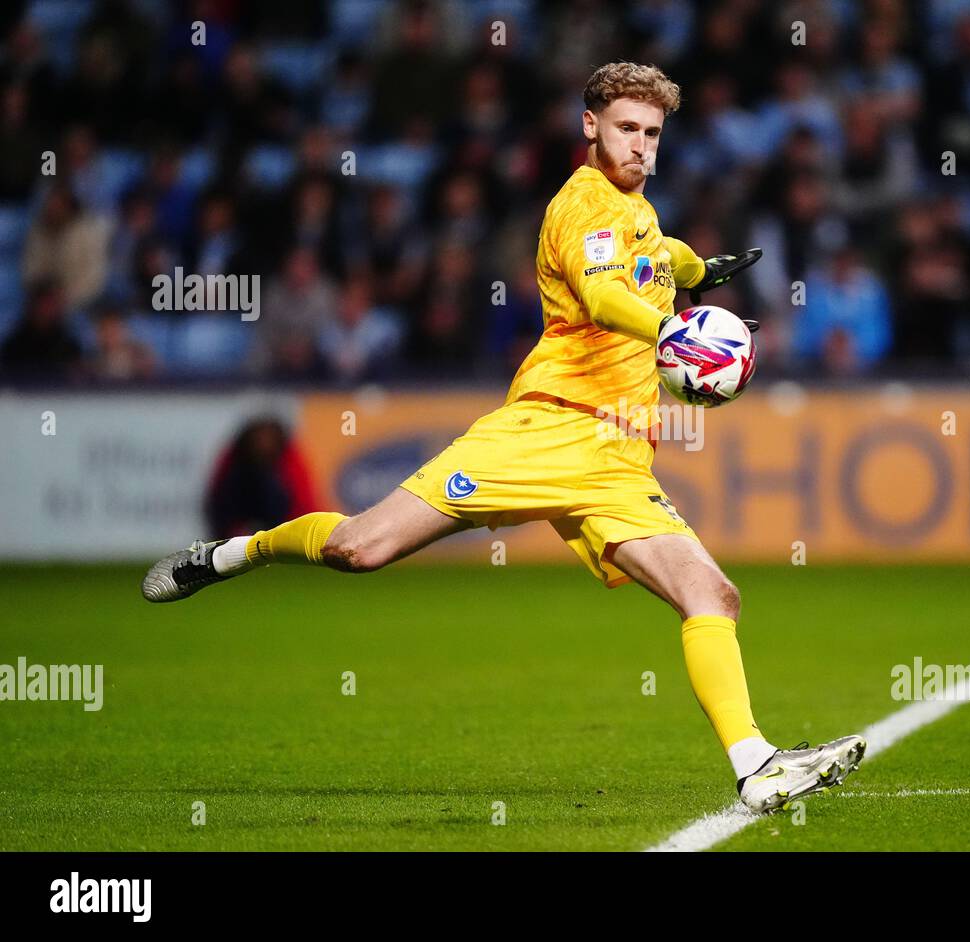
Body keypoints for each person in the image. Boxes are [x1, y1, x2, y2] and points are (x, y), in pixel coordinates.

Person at [141, 62, 864, 814]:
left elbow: (660, 254)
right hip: (546, 430)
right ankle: (234, 553)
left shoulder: (638, 210)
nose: (641, 146)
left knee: (712, 594)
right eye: (626, 129)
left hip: (617, 458)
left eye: (652, 133)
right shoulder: (581, 205)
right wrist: (676, 329)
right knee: (359, 549)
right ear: (591, 125)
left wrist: (698, 270)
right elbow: (604, 293)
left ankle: (756, 766)